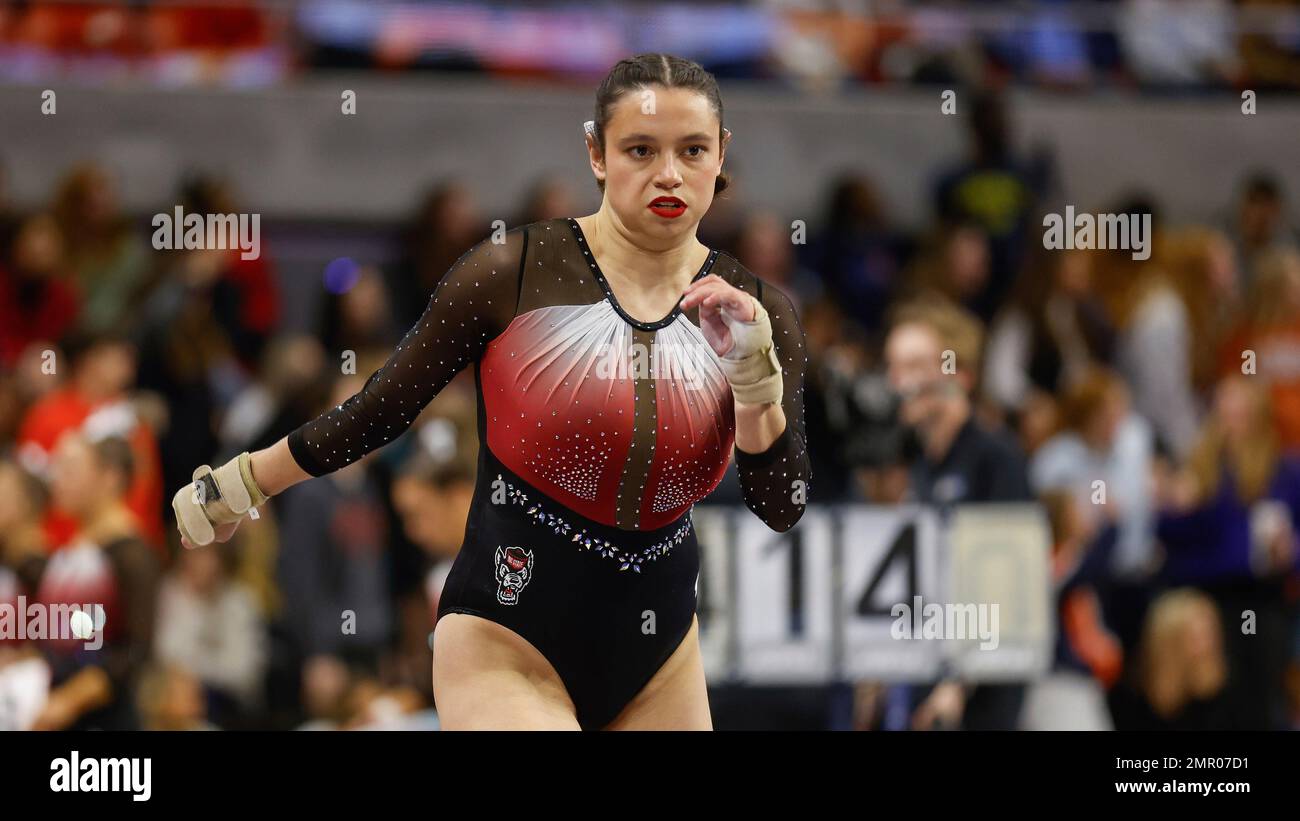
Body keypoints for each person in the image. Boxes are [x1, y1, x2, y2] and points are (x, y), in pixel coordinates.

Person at [170, 53, 811, 730]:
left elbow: (780, 507)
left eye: (692, 150)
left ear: (721, 155)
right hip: (508, 633)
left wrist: (752, 382)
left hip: (659, 653)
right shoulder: (513, 271)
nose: (669, 174)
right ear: (595, 153)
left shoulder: (757, 310)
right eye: (640, 150)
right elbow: (384, 406)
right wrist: (242, 482)